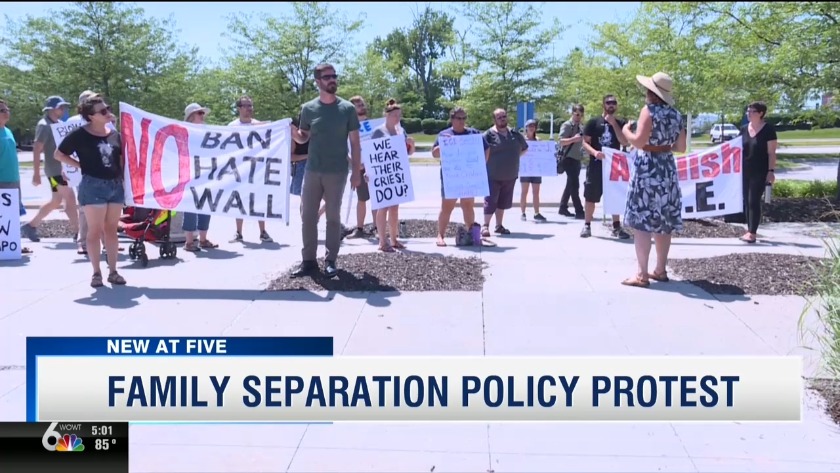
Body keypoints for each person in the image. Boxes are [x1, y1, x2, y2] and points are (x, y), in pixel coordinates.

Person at [290, 63, 361, 278]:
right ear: (318, 81)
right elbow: (303, 137)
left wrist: (356, 172)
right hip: (312, 170)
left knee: (332, 217)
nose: (333, 80)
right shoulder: (308, 109)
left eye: (334, 76)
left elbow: (355, 143)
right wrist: (293, 133)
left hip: (337, 171)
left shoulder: (347, 109)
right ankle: (308, 261)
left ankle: (331, 260)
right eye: (328, 77)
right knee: (308, 217)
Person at [619, 72, 687, 287]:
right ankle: (660, 269)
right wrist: (663, 145)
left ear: (651, 92)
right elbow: (681, 147)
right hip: (666, 167)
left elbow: (638, 142)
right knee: (664, 221)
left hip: (647, 167)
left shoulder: (647, 111)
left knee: (642, 222)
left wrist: (625, 131)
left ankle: (642, 275)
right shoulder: (676, 115)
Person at [54, 96, 126, 287]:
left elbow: (120, 159)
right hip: (92, 186)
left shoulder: (115, 134)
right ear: (91, 116)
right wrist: (79, 165)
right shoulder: (80, 134)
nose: (107, 112)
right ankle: (96, 272)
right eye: (102, 111)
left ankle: (113, 271)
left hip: (115, 185)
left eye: (107, 108)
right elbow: (59, 154)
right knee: (95, 230)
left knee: (111, 229)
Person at [20, 96, 79, 243]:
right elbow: (37, 149)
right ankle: (79, 232)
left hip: (62, 170)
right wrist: (36, 173)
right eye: (61, 107)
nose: (63, 109)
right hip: (54, 171)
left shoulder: (58, 124)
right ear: (52, 108)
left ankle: (31, 226)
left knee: (56, 200)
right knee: (70, 198)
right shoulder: (44, 125)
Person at [432, 107, 489, 247]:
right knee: (447, 207)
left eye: (464, 118)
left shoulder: (474, 134)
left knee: (468, 205)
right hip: (451, 177)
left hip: (469, 176)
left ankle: (472, 234)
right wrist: (445, 145)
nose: (462, 121)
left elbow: (487, 148)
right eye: (459, 118)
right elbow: (434, 154)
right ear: (452, 119)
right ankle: (440, 235)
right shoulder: (444, 134)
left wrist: (482, 165)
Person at [581, 95, 631, 239]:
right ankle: (587, 225)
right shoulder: (593, 122)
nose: (611, 105)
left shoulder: (621, 123)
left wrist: (614, 124)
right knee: (591, 196)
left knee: (615, 195)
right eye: (608, 103)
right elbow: (585, 143)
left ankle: (616, 227)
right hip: (596, 166)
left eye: (614, 103)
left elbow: (625, 142)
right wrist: (595, 152)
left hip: (614, 167)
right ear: (603, 104)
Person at [370, 99, 416, 251]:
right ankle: (383, 241)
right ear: (386, 115)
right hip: (382, 174)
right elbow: (373, 154)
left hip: (396, 173)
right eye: (394, 115)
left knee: (395, 207)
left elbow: (408, 153)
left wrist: (411, 144)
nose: (397, 118)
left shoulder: (401, 132)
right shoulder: (378, 132)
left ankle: (394, 239)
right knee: (383, 207)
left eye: (399, 115)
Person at [228, 95, 273, 243]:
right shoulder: (232, 127)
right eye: (246, 106)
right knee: (238, 200)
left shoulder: (260, 125)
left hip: (257, 170)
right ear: (239, 108)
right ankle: (238, 232)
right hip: (239, 170)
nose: (249, 109)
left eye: (251, 106)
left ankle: (263, 231)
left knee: (258, 200)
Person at [482, 108, 528, 236]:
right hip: (492, 174)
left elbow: (525, 148)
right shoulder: (488, 135)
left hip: (510, 174)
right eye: (499, 117)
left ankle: (499, 225)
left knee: (503, 201)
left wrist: (514, 157)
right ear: (494, 119)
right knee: (490, 200)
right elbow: (480, 152)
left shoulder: (515, 134)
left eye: (504, 116)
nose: (502, 119)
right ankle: (485, 226)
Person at [181, 103, 219, 252]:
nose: (203, 116)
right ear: (191, 116)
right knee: (190, 206)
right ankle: (189, 242)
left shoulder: (207, 132)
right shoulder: (184, 132)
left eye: (203, 113)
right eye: (199, 113)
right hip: (189, 173)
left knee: (206, 205)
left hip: (206, 173)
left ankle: (203, 239)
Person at [738, 101, 777, 243]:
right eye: (747, 111)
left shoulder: (768, 130)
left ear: (761, 113)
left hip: (760, 171)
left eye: (752, 111)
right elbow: (735, 149)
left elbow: (771, 153)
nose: (748, 113)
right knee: (746, 201)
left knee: (753, 200)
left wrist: (771, 171)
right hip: (744, 171)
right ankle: (749, 229)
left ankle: (752, 233)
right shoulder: (743, 129)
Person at [0, 99, 33, 254]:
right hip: (1, 181)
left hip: (13, 179)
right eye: (2, 110)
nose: (7, 112)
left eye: (7, 109)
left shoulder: (7, 130)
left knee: (12, 214)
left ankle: (13, 244)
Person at [345, 96, 375, 239]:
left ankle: (377, 227)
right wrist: (356, 165)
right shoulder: (347, 128)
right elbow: (344, 150)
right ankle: (360, 228)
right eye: (358, 105)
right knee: (362, 199)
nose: (361, 107)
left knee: (377, 198)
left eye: (362, 104)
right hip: (360, 168)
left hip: (376, 166)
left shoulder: (375, 125)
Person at [290, 114, 326, 219]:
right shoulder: (295, 135)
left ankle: (316, 216)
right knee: (306, 201)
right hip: (302, 168)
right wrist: (307, 156)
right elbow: (291, 157)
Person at [557, 105, 586, 219]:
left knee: (570, 184)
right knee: (575, 185)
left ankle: (563, 207)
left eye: (581, 114)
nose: (579, 117)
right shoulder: (567, 125)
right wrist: (574, 139)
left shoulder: (581, 127)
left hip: (577, 158)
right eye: (577, 114)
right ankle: (579, 211)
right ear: (572, 113)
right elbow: (561, 141)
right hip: (568, 158)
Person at [519, 119, 546, 222]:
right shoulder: (522, 140)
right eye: (529, 126)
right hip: (525, 169)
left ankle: (536, 212)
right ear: (526, 127)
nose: (531, 128)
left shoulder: (538, 141)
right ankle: (523, 212)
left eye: (533, 126)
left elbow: (543, 154)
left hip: (536, 169)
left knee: (536, 192)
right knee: (524, 192)